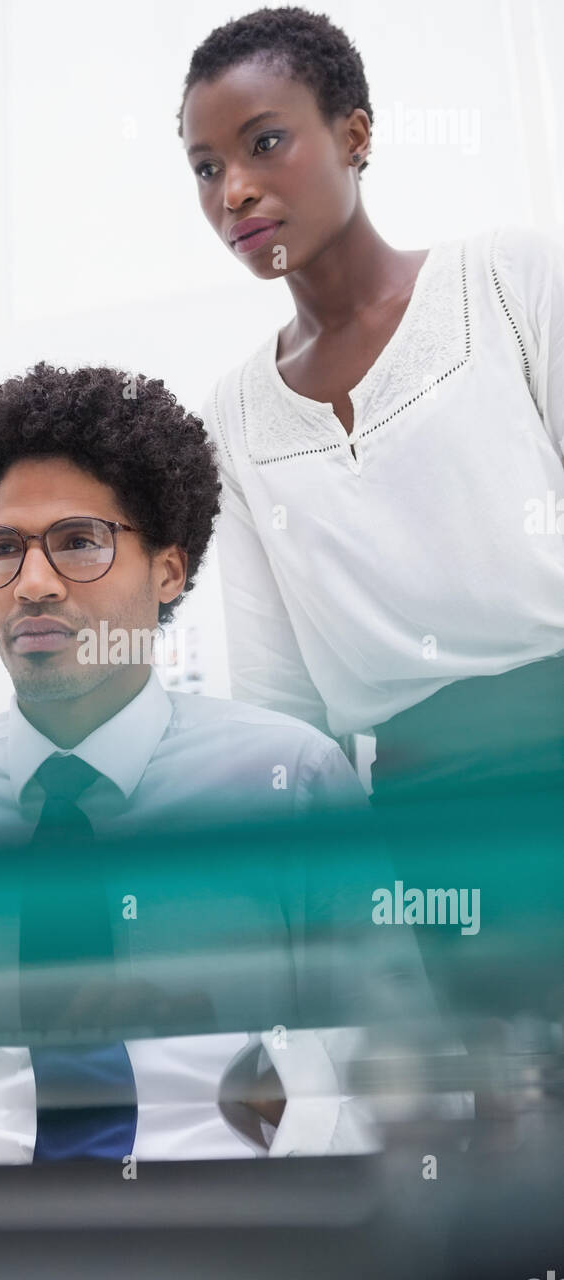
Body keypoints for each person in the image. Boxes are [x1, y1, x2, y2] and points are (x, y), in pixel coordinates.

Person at [0, 362, 443, 1170]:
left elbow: (403, 1083)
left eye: (79, 542)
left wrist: (283, 1102)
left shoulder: (285, 783)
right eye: (2, 548)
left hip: (233, 1256)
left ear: (170, 569)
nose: (31, 583)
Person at [179, 7, 564, 803]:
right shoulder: (235, 414)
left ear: (355, 136)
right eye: (207, 167)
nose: (236, 191)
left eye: (265, 142)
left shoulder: (507, 281)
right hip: (425, 817)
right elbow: (277, 696)